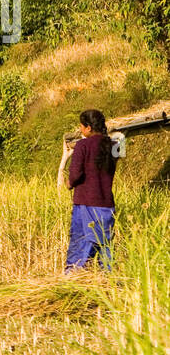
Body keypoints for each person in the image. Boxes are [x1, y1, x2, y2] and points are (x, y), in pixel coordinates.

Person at [60, 108, 117, 272]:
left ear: (88, 128)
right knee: (105, 246)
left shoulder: (82, 145)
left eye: (82, 127)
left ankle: (72, 282)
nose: (81, 131)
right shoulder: (113, 146)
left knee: (80, 246)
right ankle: (110, 284)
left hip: (86, 203)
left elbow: (75, 174)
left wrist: (69, 183)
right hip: (106, 204)